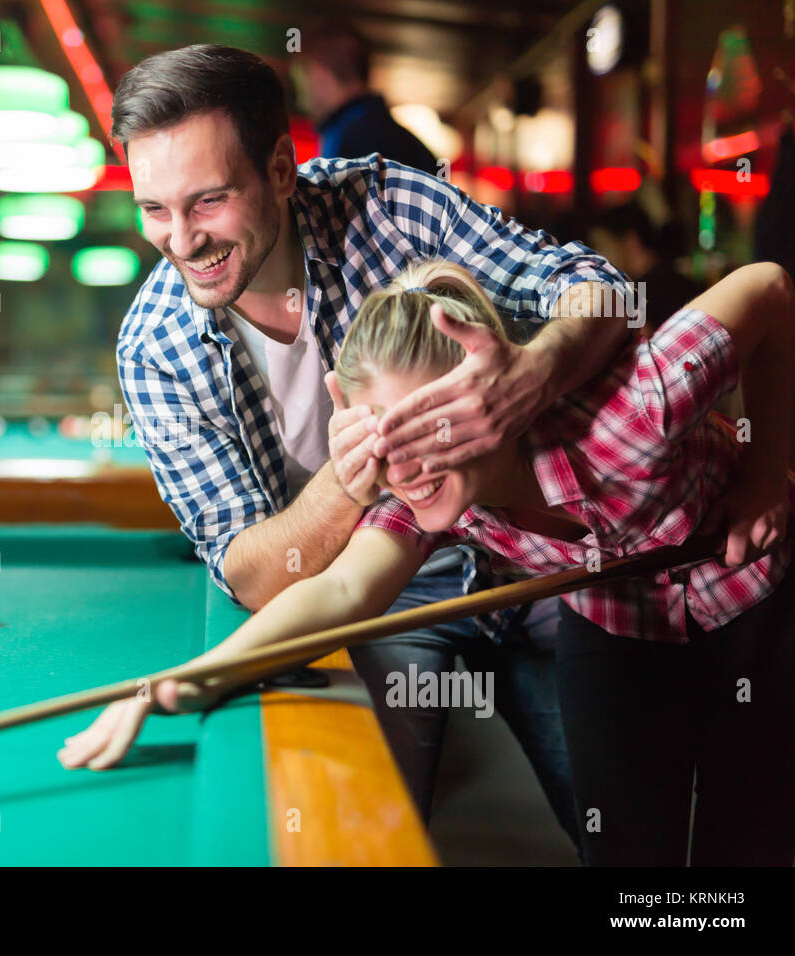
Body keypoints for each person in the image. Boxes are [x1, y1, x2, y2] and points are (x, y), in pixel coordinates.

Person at [63, 45, 635, 852]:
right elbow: (255, 572)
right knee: (359, 837)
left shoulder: (391, 205)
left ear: (281, 170)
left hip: (535, 554)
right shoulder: (154, 348)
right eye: (155, 208)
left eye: (210, 201)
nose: (182, 240)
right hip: (380, 588)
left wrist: (534, 373)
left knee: (627, 834)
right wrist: (348, 481)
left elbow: (604, 288)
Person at [78, 257, 795, 865]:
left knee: (752, 841)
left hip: (757, 597)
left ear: (489, 398)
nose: (409, 465)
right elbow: (342, 590)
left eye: (431, 426)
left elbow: (768, 284)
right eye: (385, 439)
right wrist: (187, 680)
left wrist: (768, 473)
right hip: (613, 621)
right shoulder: (421, 496)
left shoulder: (639, 408)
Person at [292, 20, 439, 173]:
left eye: (301, 80)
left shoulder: (352, 140)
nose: (301, 99)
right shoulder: (402, 141)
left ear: (319, 74)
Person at [588, 201, 703, 336]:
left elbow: (637, 344)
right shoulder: (679, 280)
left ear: (630, 242)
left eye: (602, 246)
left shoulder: (634, 292)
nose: (596, 256)